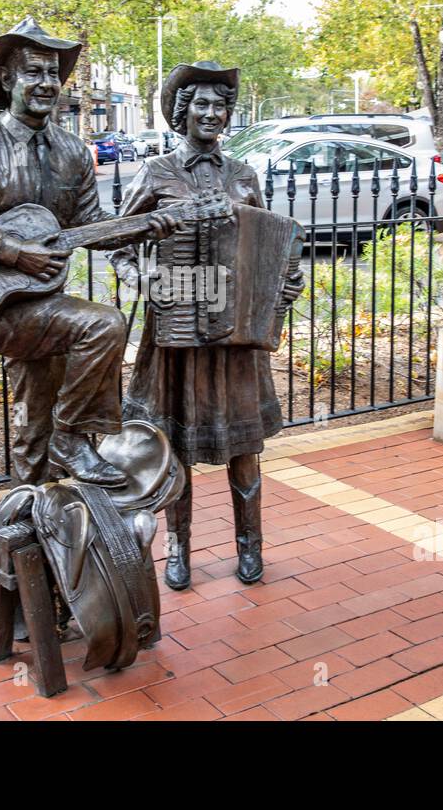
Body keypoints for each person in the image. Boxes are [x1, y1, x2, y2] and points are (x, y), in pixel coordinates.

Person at [0, 17, 176, 487]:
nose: (47, 83)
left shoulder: (73, 152)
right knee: (103, 324)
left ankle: (34, 524)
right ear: (8, 79)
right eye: (34, 72)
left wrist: (143, 227)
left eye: (53, 73)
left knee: (33, 420)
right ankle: (72, 438)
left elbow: (87, 228)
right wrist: (14, 252)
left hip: (44, 303)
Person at [110, 61, 304, 588]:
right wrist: (142, 279)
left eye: (220, 105)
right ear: (182, 111)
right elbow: (121, 241)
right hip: (176, 332)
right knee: (176, 444)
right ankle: (179, 549)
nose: (212, 113)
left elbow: (274, 240)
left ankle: (250, 545)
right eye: (201, 104)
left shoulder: (243, 175)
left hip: (237, 333)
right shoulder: (156, 173)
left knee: (245, 446)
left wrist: (288, 279)